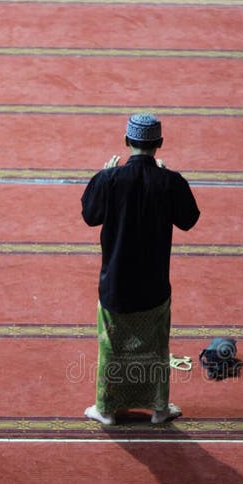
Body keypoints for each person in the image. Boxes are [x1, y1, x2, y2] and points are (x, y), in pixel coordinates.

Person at [81, 113, 201, 426]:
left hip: (116, 285)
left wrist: (101, 177)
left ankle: (106, 409)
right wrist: (171, 179)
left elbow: (90, 215)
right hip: (154, 285)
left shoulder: (109, 180)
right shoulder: (168, 181)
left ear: (127, 141)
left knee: (111, 347)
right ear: (159, 144)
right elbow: (189, 219)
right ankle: (159, 408)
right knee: (157, 346)